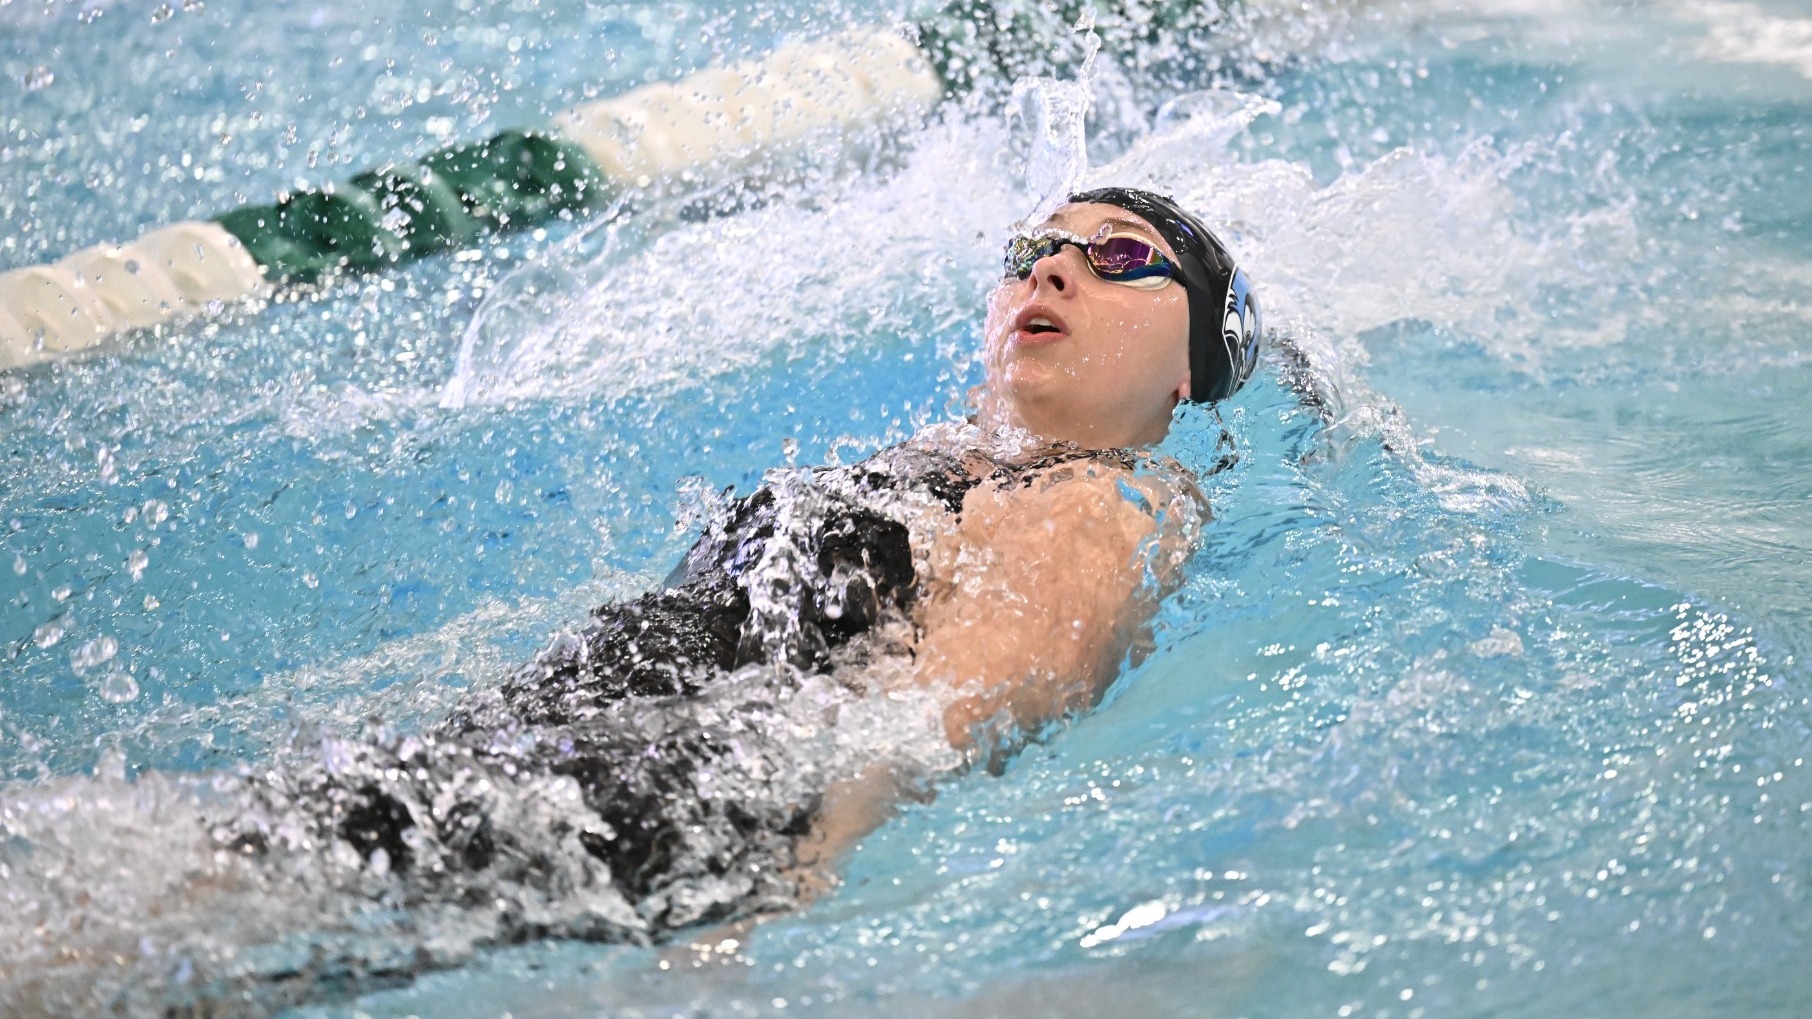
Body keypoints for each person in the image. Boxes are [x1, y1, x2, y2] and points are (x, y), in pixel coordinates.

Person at [3, 187, 1264, 1010]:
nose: (1055, 271)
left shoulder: (1099, 502)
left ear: (1190, 367)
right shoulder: (949, 464)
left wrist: (790, 872)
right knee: (195, 916)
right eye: (1034, 251)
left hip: (695, 788)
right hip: (607, 750)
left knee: (173, 899)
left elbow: (970, 699)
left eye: (1117, 259)